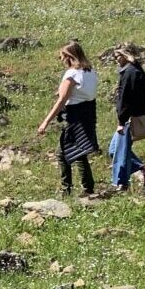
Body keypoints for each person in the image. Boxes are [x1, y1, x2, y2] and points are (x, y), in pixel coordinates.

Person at [36, 40, 100, 195]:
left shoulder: (71, 74)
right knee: (79, 151)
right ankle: (87, 186)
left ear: (68, 57)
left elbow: (62, 100)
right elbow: (85, 93)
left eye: (61, 57)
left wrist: (46, 122)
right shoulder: (90, 71)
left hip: (74, 116)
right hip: (88, 114)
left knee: (63, 152)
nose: (61, 60)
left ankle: (68, 189)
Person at [108, 46, 145, 190]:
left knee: (120, 151)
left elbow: (125, 99)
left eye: (118, 56)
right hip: (135, 116)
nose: (116, 59)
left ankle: (121, 183)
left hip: (129, 119)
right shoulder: (137, 71)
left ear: (126, 55)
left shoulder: (129, 73)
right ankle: (144, 171)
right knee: (113, 149)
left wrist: (121, 121)